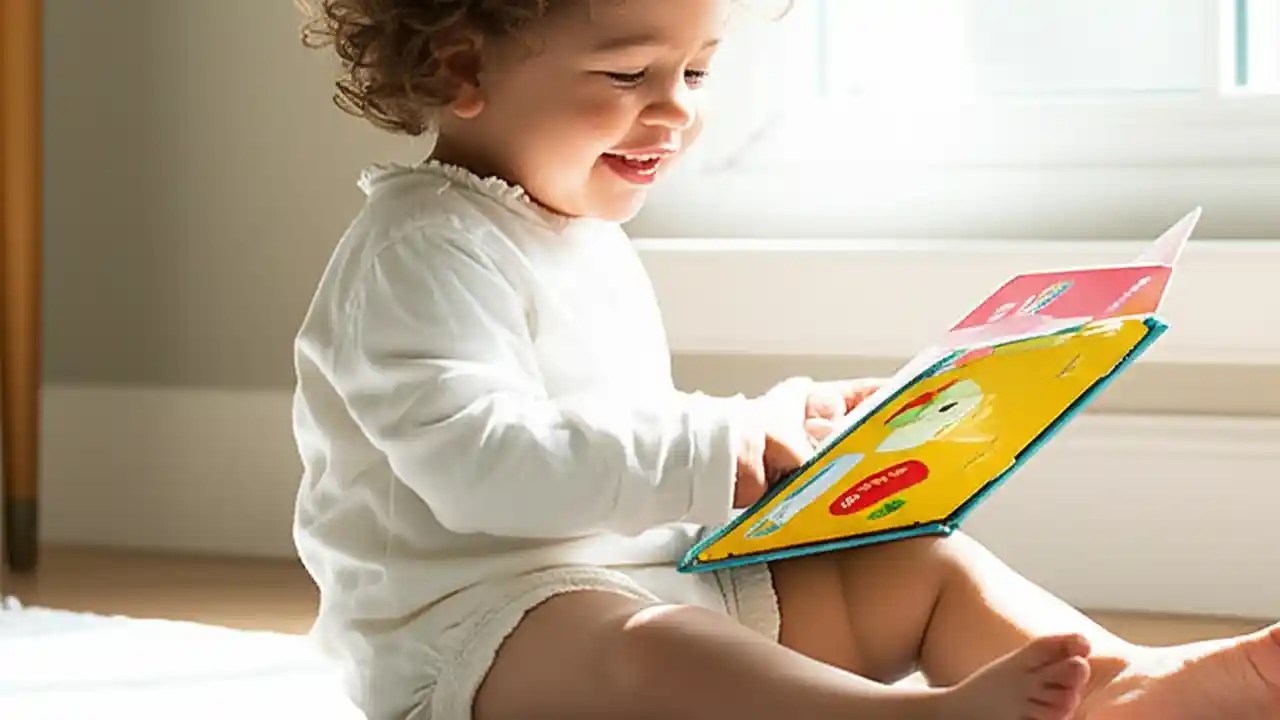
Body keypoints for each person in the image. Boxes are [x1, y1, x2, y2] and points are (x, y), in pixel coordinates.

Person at [288, 1, 1280, 719]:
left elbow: (613, 430)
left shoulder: (572, 232)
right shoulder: (420, 248)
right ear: (463, 69)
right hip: (469, 642)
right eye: (629, 76)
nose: (674, 110)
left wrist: (789, 425)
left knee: (909, 561)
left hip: (640, 578)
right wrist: (721, 445)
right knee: (646, 647)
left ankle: (1119, 688)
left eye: (696, 73)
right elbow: (479, 470)